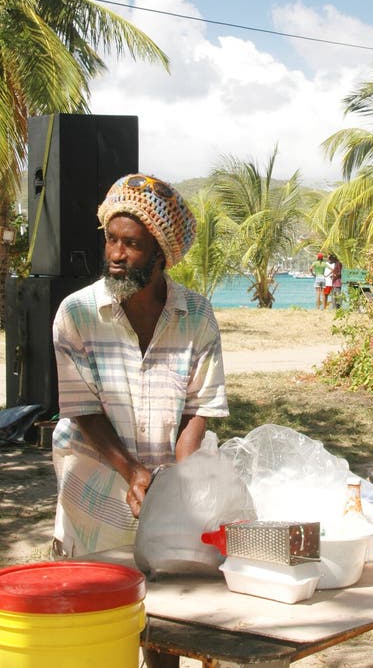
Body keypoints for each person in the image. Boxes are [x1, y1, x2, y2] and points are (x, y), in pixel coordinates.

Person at [51, 173, 228, 668]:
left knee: (167, 617)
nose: (115, 254)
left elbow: (201, 405)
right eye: (111, 239)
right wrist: (132, 471)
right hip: (94, 482)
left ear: (160, 254)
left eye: (131, 244)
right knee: (100, 613)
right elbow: (81, 408)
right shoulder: (77, 314)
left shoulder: (196, 314)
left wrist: (178, 478)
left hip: (165, 483)